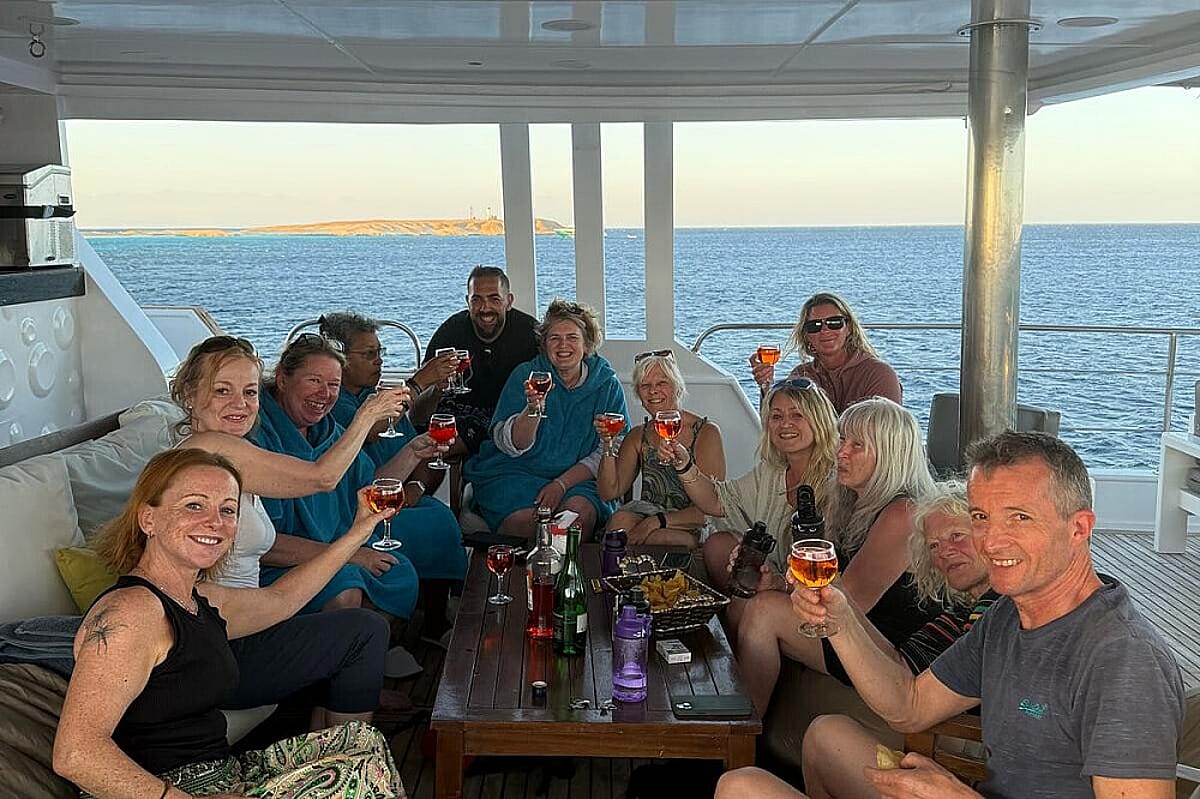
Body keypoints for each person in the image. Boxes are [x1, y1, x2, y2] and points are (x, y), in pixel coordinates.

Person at [721, 431, 1185, 799]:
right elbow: (909, 704)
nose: (993, 540)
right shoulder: (1008, 617)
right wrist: (838, 618)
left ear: (1079, 527)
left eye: (1019, 517)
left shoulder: (1123, 661)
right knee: (748, 782)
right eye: (981, 517)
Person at [52, 448, 405, 799]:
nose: (215, 523)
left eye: (227, 510)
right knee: (359, 776)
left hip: (222, 772)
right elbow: (75, 753)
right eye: (194, 505)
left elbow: (282, 600)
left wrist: (359, 532)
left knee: (361, 740)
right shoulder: (130, 613)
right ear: (148, 519)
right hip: (171, 788)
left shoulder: (192, 598)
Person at [170, 334, 408, 719]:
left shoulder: (220, 452)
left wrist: (356, 536)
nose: (240, 404)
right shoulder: (213, 450)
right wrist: (367, 416)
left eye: (249, 392)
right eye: (222, 391)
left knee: (350, 622)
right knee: (364, 633)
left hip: (240, 625)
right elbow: (321, 478)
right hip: (216, 649)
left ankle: (326, 741)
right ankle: (347, 761)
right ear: (189, 395)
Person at [683, 396, 937, 713]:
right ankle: (732, 707)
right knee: (750, 598)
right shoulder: (852, 502)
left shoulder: (902, 513)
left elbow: (850, 599)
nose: (841, 452)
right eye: (843, 439)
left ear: (890, 454)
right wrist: (776, 582)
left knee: (763, 612)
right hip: (850, 626)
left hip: (881, 649)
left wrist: (781, 590)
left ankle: (742, 731)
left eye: (857, 445)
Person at [252, 334, 467, 621]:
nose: (324, 394)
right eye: (314, 381)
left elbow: (369, 485)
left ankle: (383, 644)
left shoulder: (328, 430)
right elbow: (266, 546)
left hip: (339, 547)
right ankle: (349, 653)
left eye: (333, 385)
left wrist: (414, 452)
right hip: (286, 562)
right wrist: (352, 554)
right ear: (281, 379)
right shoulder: (259, 439)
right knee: (346, 590)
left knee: (399, 571)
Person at [658, 377, 838, 602]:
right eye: (776, 416)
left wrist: (778, 583)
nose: (785, 424)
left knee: (754, 603)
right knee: (717, 545)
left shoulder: (837, 480)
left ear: (819, 421)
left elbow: (831, 574)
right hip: (773, 577)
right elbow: (716, 501)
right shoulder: (772, 472)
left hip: (812, 595)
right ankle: (729, 627)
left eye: (797, 415)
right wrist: (683, 464)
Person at [464, 299, 627, 539]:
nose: (563, 345)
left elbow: (611, 448)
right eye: (554, 338)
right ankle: (525, 576)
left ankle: (568, 576)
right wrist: (532, 410)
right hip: (515, 472)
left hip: (578, 479)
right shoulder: (527, 375)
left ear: (587, 343)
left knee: (576, 522)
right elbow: (508, 444)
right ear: (544, 343)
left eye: (572, 337)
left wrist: (561, 484)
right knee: (524, 524)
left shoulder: (606, 384)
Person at [594, 348, 726, 546]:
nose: (653, 391)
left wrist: (655, 523)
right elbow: (608, 493)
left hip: (692, 522)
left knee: (660, 538)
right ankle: (616, 576)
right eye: (645, 385)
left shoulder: (705, 432)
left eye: (661, 383)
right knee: (618, 523)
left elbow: (711, 508)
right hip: (649, 513)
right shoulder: (639, 435)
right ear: (639, 393)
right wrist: (607, 443)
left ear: (676, 387)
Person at [319, 311, 452, 501]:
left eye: (379, 352)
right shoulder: (331, 403)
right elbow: (372, 432)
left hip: (401, 497)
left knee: (444, 520)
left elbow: (422, 453)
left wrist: (416, 487)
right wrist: (418, 383)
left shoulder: (374, 396)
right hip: (362, 504)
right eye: (368, 354)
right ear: (339, 358)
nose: (379, 360)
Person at [419, 265, 540, 455]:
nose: (485, 308)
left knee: (434, 447)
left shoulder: (530, 334)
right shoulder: (451, 331)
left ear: (509, 302)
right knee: (423, 443)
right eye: (477, 300)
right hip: (452, 416)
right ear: (468, 301)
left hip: (503, 421)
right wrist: (436, 390)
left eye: (494, 299)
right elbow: (418, 406)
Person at [750, 292, 901, 414]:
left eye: (834, 323)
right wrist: (766, 386)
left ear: (849, 328)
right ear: (806, 335)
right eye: (814, 326)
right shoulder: (802, 375)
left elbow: (884, 437)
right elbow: (781, 426)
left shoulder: (879, 374)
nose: (825, 330)